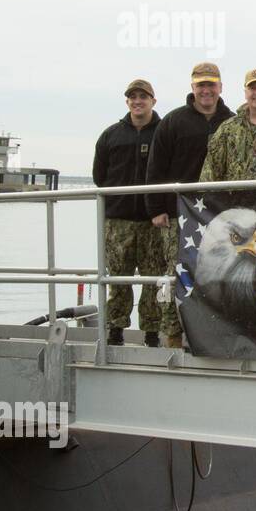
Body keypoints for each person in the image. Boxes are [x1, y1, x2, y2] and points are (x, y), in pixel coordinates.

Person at [145, 62, 235, 348]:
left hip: (219, 218)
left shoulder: (231, 122)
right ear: (192, 88)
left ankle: (213, 335)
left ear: (220, 87)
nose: (206, 90)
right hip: (178, 215)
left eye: (211, 84)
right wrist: (156, 208)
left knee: (217, 276)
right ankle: (173, 336)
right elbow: (155, 167)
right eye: (201, 85)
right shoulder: (173, 121)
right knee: (177, 274)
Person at [92, 78, 165, 347]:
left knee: (153, 279)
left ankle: (152, 333)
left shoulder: (163, 131)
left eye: (143, 97)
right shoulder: (112, 134)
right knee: (117, 279)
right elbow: (99, 175)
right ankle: (115, 330)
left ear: (153, 101)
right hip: (118, 220)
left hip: (152, 221)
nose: (138, 101)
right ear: (127, 102)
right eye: (133, 97)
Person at [200, 68, 256, 182]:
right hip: (233, 199)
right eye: (252, 88)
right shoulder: (227, 129)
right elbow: (210, 171)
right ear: (245, 93)